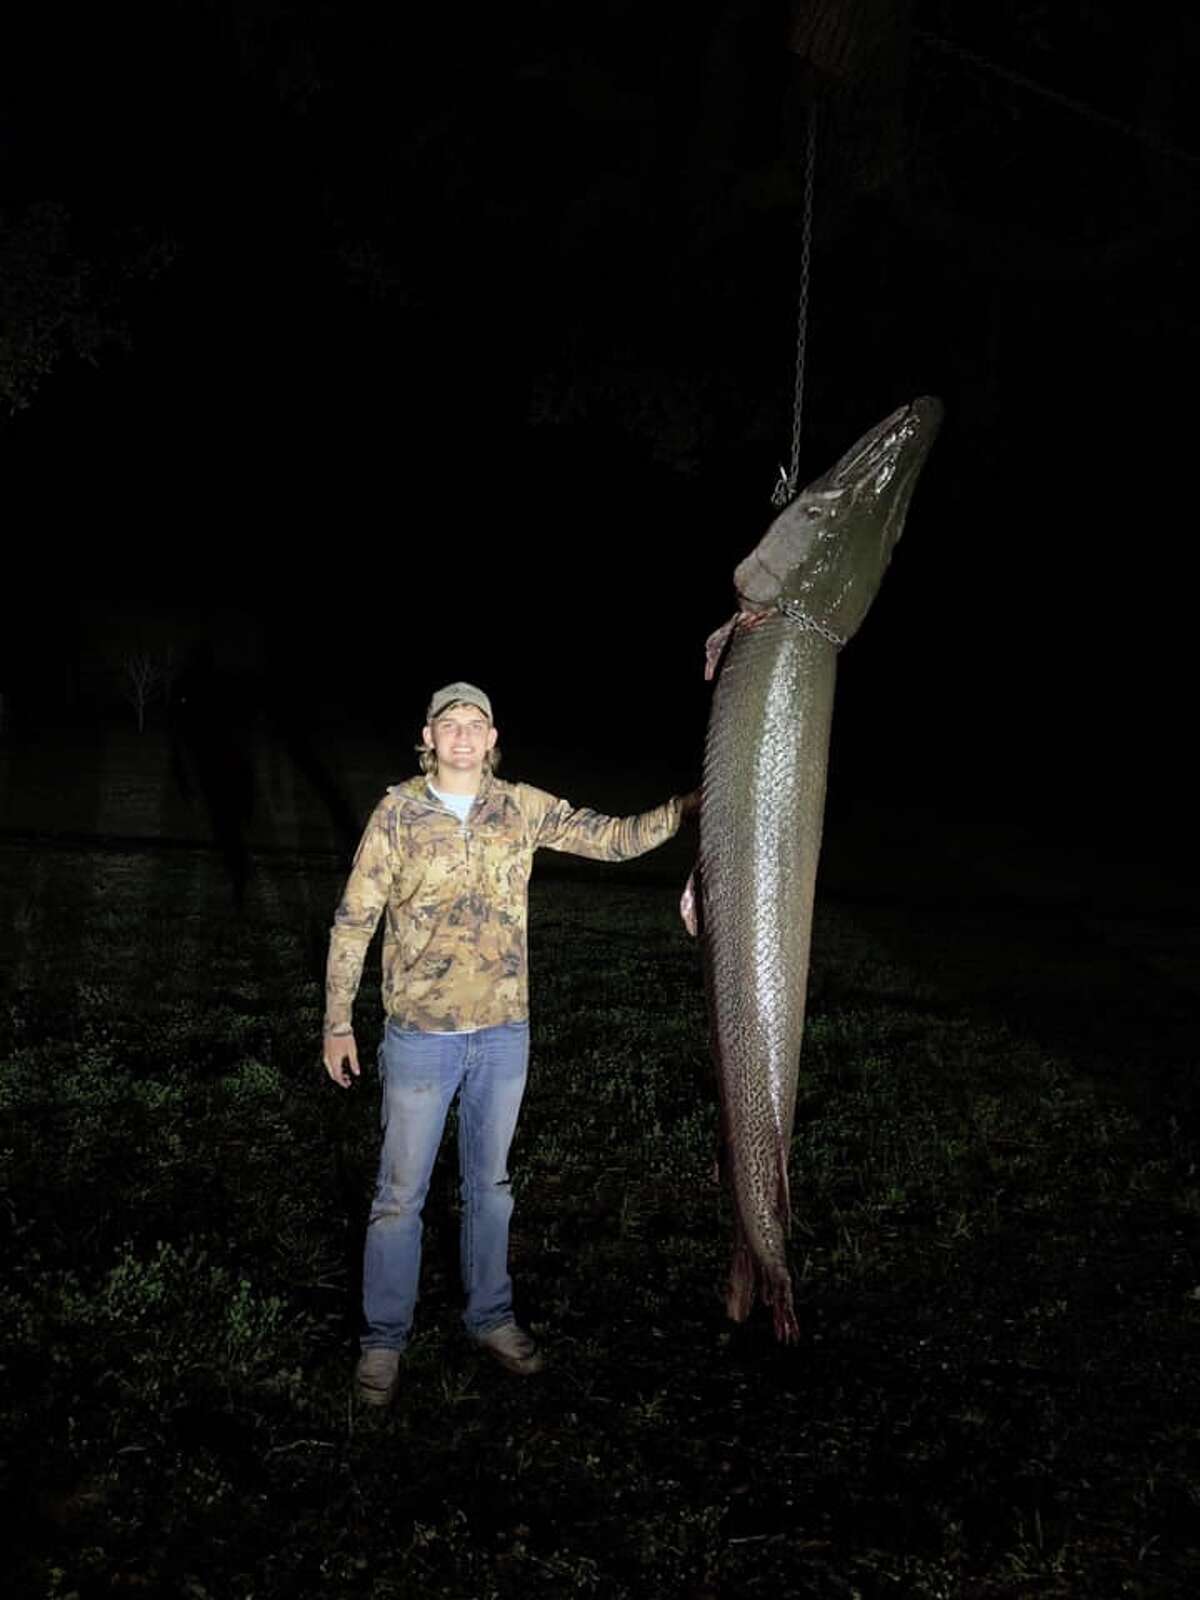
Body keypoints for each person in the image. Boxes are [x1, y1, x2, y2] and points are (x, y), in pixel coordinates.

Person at [322, 682, 695, 1406]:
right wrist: (338, 1020)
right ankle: (383, 1341)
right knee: (400, 1196)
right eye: (449, 724)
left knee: (489, 1187)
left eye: (476, 724)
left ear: (493, 739)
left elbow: (611, 838)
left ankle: (490, 1317)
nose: (462, 735)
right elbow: (354, 919)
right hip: (421, 1037)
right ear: (427, 737)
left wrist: (681, 810)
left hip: (502, 1033)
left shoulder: (518, 806)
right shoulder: (398, 814)